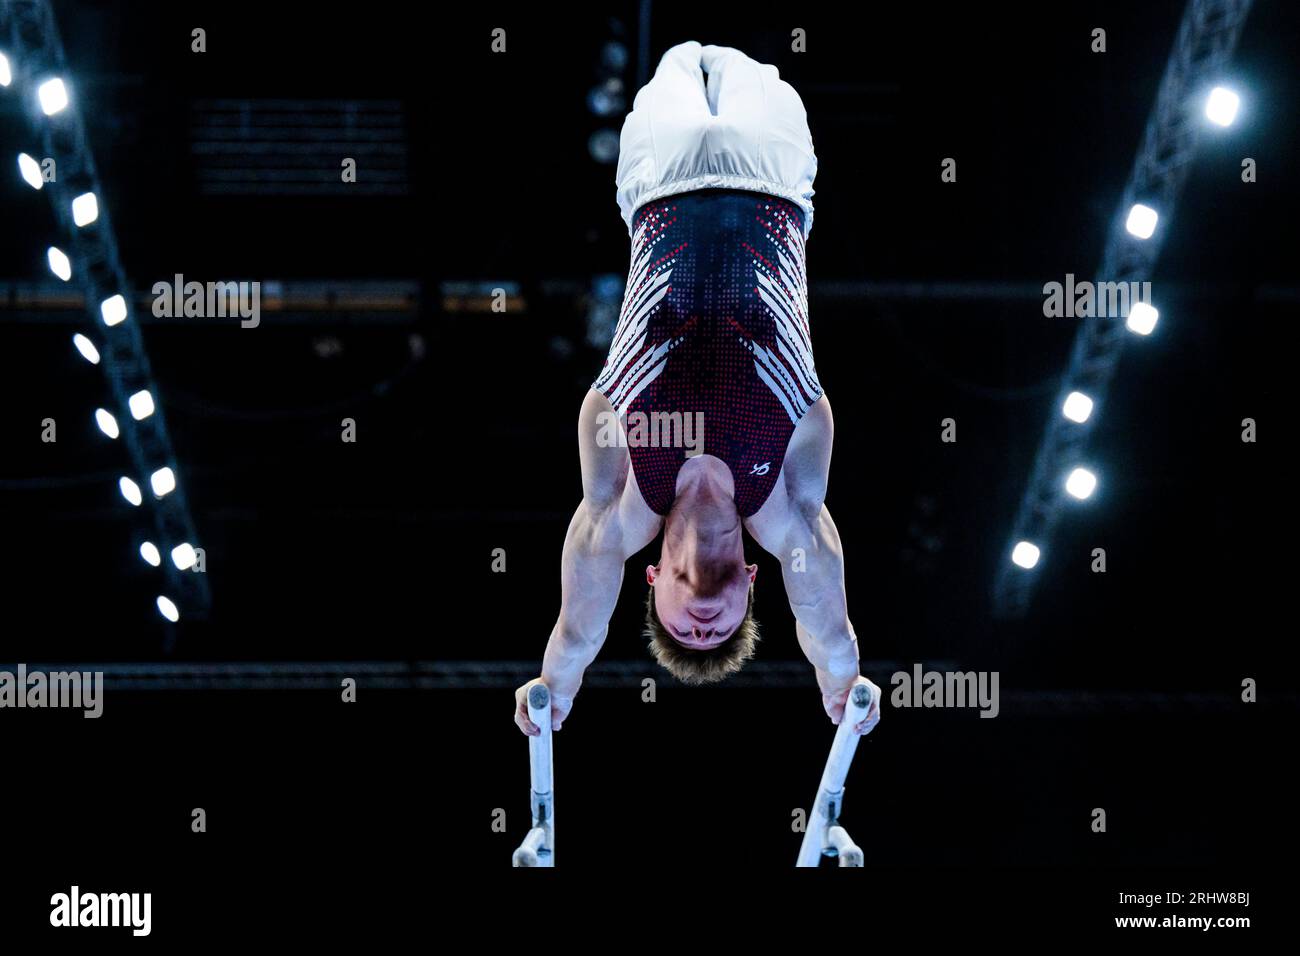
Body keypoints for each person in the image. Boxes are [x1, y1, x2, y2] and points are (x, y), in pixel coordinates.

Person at [514, 41, 880, 738]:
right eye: (723, 633)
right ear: (750, 584)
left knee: (683, 53)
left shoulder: (622, 507)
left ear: (649, 584)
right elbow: (823, 618)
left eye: (687, 632)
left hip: (659, 183)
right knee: (748, 55)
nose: (706, 625)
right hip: (773, 178)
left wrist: (556, 686)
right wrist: (839, 677)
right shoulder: (781, 510)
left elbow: (579, 625)